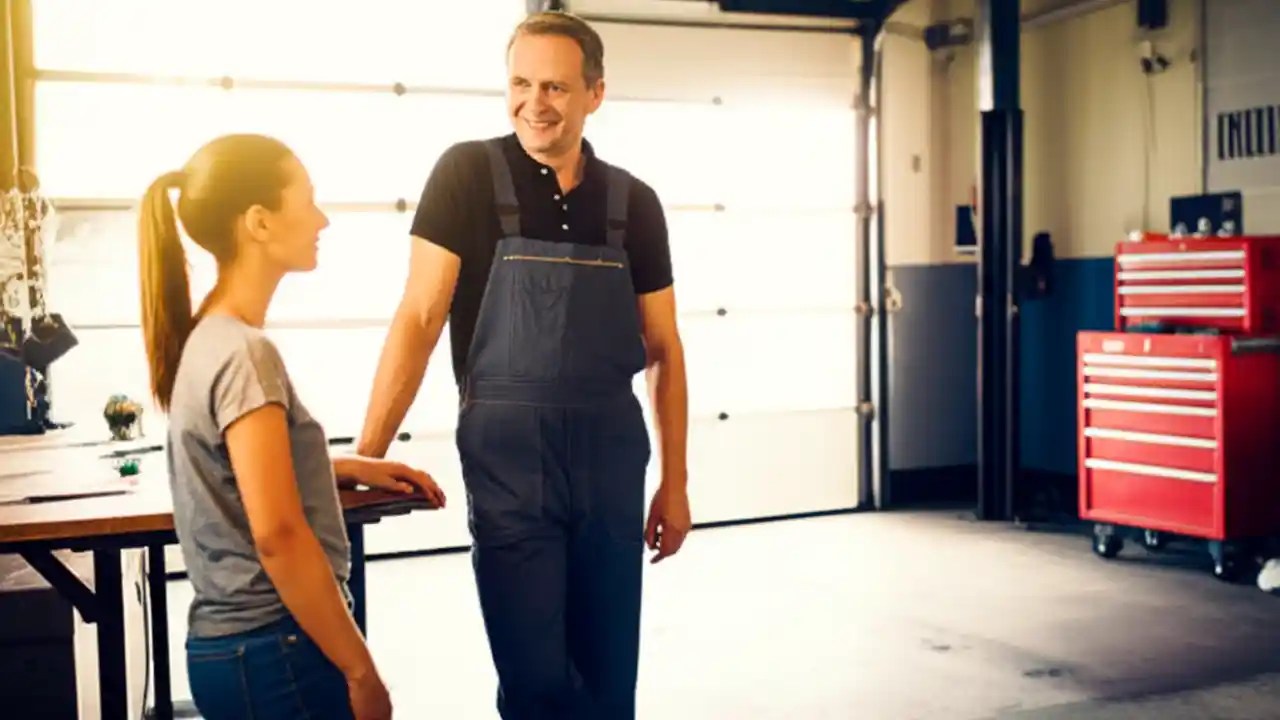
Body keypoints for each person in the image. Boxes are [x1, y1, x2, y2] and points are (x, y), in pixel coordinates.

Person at [357, 10, 691, 719]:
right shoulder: (465, 175)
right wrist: (366, 459)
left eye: (556, 88)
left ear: (595, 94)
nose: (533, 103)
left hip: (609, 466)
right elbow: (418, 318)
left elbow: (662, 348)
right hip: (510, 467)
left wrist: (676, 481)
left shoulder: (634, 203)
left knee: (607, 684)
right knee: (534, 679)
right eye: (520, 83)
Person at [137, 133, 445, 720]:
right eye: (307, 200)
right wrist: (362, 670)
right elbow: (278, 535)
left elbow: (237, 472)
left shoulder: (206, 339)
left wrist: (337, 467)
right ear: (258, 221)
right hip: (276, 649)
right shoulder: (245, 353)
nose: (322, 218)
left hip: (236, 653)